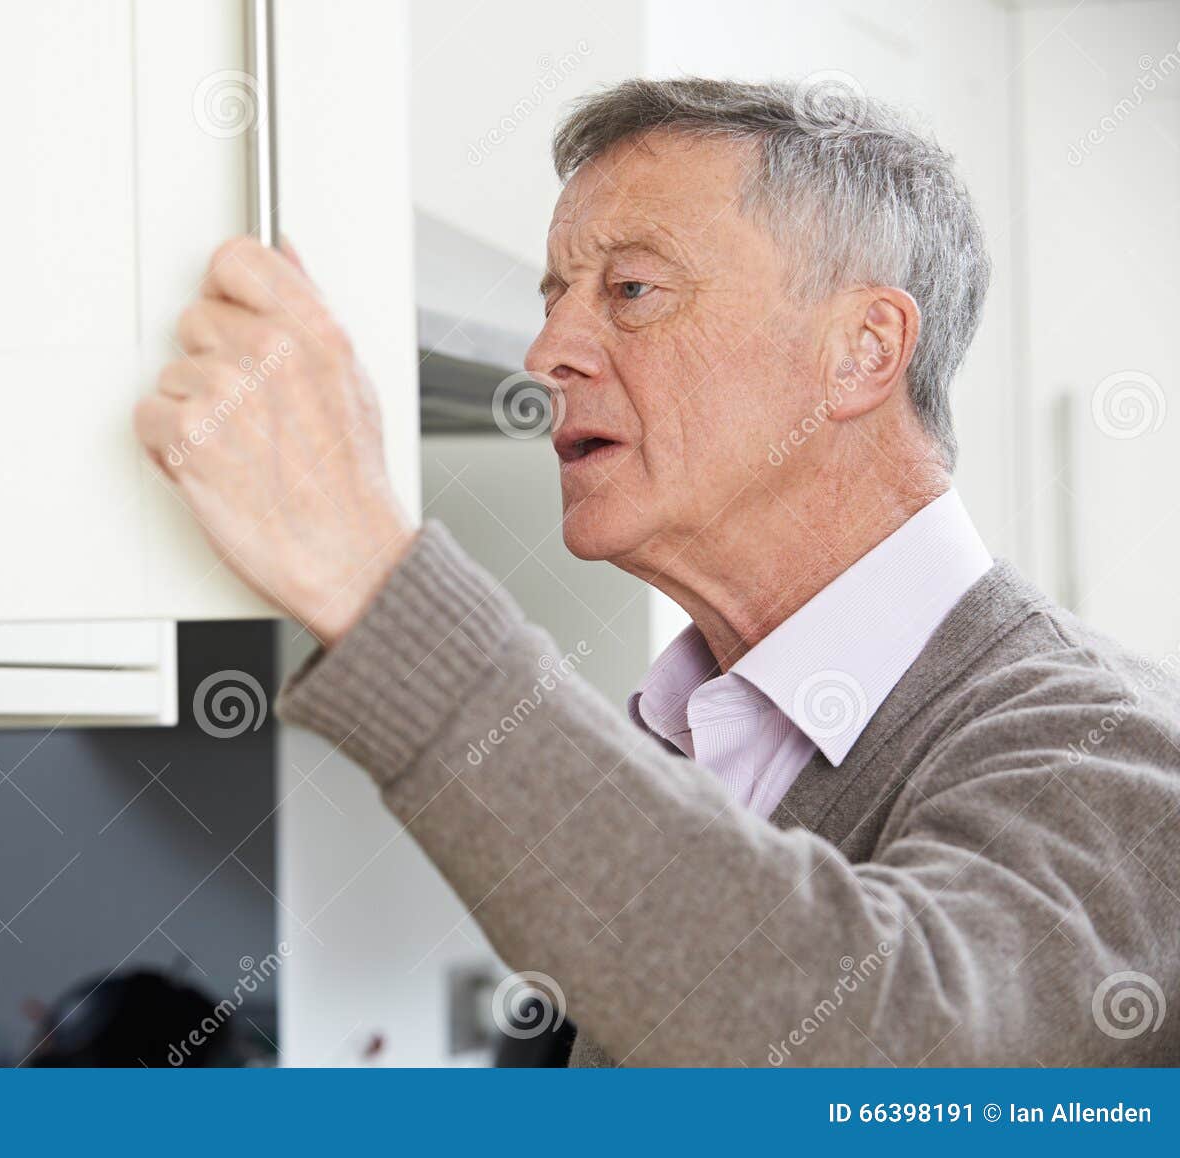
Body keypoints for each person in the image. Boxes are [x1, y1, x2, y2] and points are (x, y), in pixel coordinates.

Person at [133, 78, 1180, 1066]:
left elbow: (885, 1059)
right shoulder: (686, 738)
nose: (546, 350)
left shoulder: (1108, 751)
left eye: (632, 289)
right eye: (555, 296)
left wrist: (372, 577)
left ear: (863, 349)